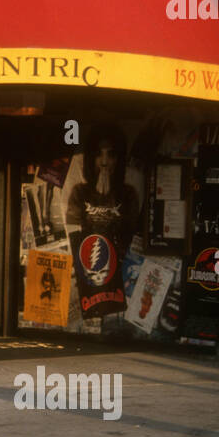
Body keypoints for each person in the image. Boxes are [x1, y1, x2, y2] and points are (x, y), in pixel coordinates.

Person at [67, 126, 141, 316]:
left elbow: (129, 237)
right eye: (99, 155)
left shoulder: (128, 194)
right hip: (87, 279)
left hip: (118, 280)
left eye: (111, 155)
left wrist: (106, 199)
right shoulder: (79, 192)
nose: (105, 162)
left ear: (119, 159)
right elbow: (74, 239)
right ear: (91, 158)